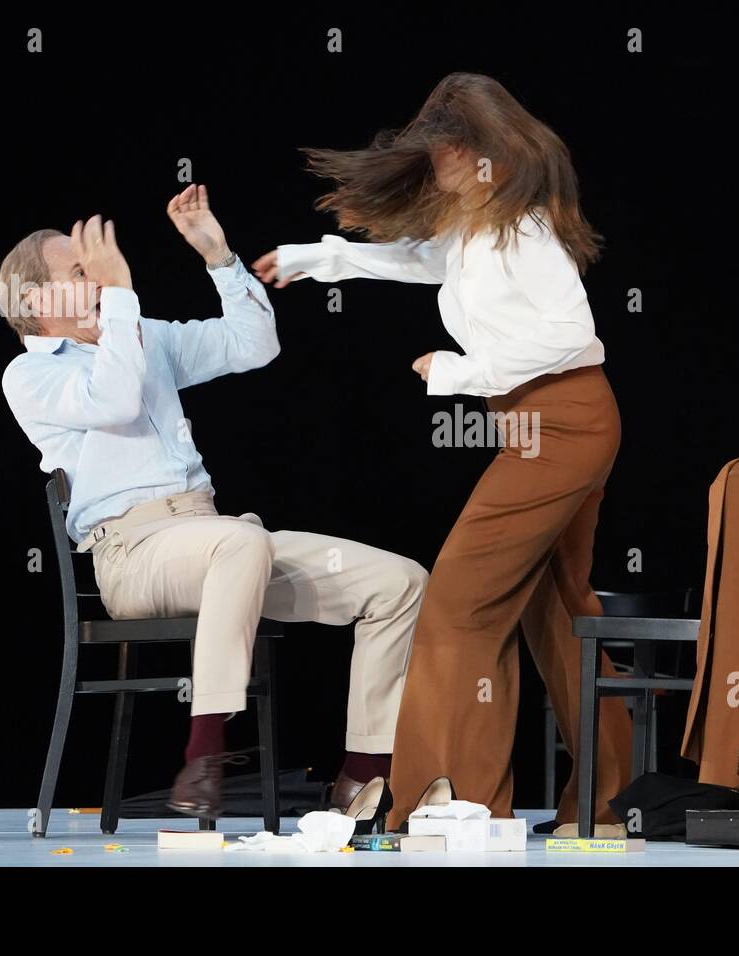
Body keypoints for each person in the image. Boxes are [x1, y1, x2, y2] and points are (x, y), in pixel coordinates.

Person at [254, 73, 632, 830]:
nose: (436, 165)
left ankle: (453, 803)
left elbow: (570, 332)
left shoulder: (523, 230)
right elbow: (422, 261)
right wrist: (320, 258)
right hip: (538, 424)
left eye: (446, 151)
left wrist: (463, 374)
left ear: (478, 149)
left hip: (562, 426)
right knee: (557, 614)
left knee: (457, 603)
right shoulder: (475, 227)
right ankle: (610, 802)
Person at [0, 186, 426, 818]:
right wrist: (118, 295)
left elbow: (253, 347)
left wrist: (219, 257)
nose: (98, 280)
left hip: (217, 543)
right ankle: (204, 753)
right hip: (135, 556)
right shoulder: (29, 374)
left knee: (400, 583)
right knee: (240, 541)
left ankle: (362, 779)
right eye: (80, 272)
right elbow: (110, 399)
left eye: (98, 270)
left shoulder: (141, 335)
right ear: (36, 299)